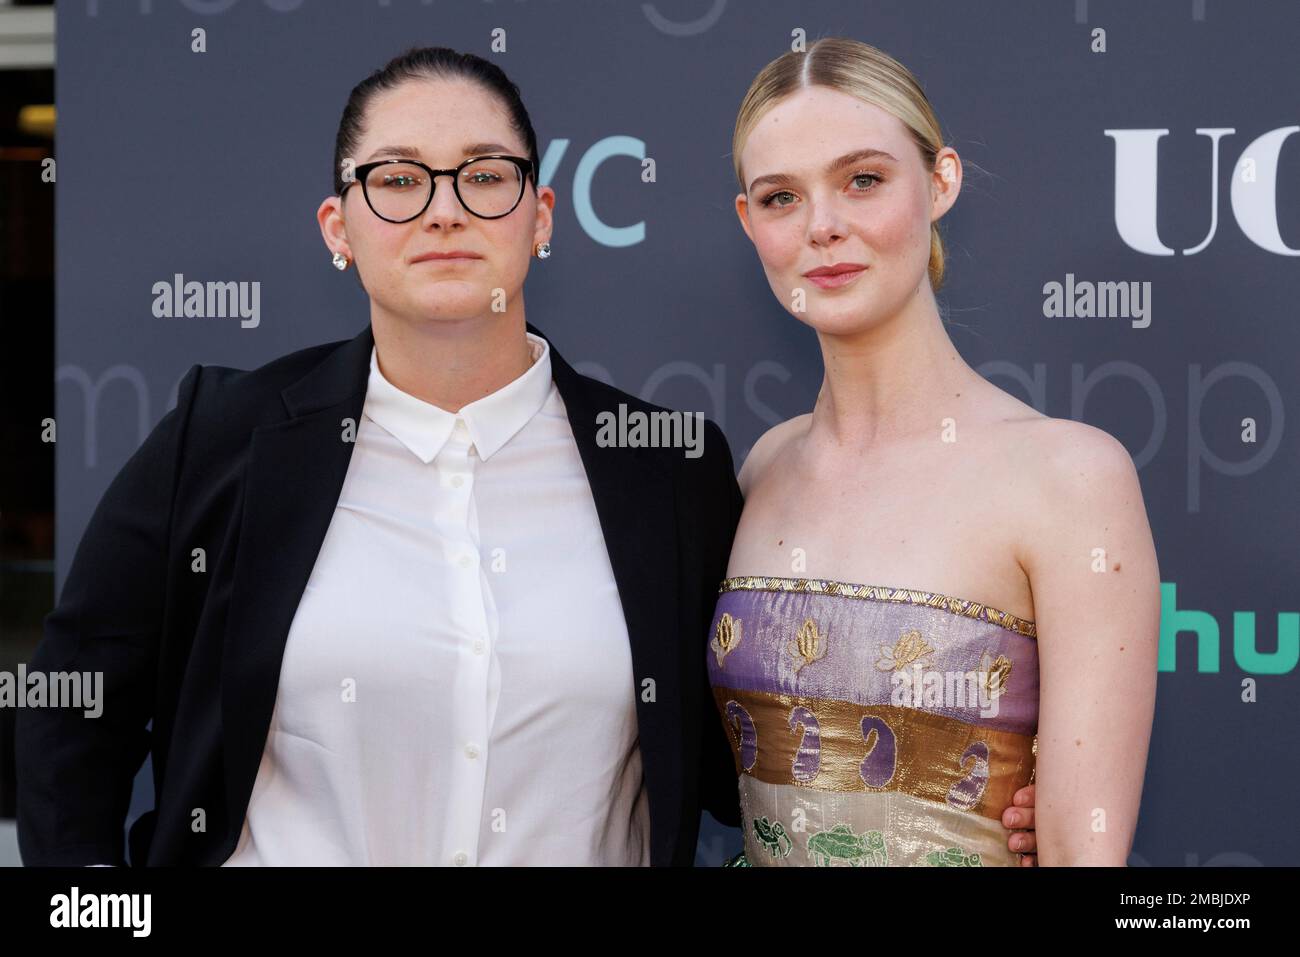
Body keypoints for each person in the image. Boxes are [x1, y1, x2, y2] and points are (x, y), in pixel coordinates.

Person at [17, 45, 1039, 866]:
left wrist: (974, 787)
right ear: (340, 228)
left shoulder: (669, 472)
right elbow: (76, 708)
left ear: (541, 217)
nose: (445, 208)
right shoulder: (225, 436)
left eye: (485, 176)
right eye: (398, 180)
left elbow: (749, 748)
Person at [708, 37, 1157, 866]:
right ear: (749, 222)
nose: (824, 227)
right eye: (781, 198)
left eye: (863, 180)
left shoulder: (1070, 478)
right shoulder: (763, 468)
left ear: (941, 181)